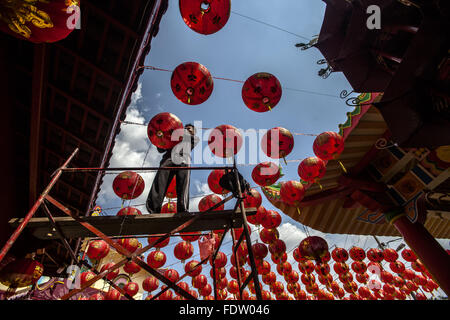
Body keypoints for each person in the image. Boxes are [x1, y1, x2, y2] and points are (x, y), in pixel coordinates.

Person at [146, 123, 199, 214]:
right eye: (185, 128)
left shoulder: (194, 139)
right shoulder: (174, 136)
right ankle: (154, 209)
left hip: (184, 160)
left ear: (193, 132)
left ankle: (182, 210)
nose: (186, 129)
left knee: (183, 185)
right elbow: (161, 149)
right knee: (160, 181)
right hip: (168, 158)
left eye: (189, 129)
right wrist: (161, 136)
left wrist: (178, 133)